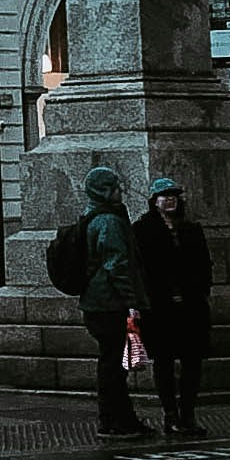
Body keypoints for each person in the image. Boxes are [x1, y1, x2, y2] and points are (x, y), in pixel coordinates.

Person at [72, 161, 154, 441]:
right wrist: (132, 301)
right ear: (106, 191)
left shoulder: (90, 215)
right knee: (115, 364)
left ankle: (118, 418)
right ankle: (115, 420)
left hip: (96, 302)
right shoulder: (108, 221)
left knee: (112, 363)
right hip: (109, 303)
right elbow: (117, 264)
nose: (121, 191)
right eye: (116, 187)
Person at [131, 173, 213, 438]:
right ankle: (170, 414)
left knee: (192, 362)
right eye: (165, 197)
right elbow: (140, 269)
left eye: (174, 197)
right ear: (154, 201)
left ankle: (188, 413)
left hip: (191, 306)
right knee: (164, 362)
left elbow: (203, 263)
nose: (170, 201)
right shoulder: (142, 230)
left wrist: (201, 290)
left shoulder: (190, 229)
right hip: (159, 308)